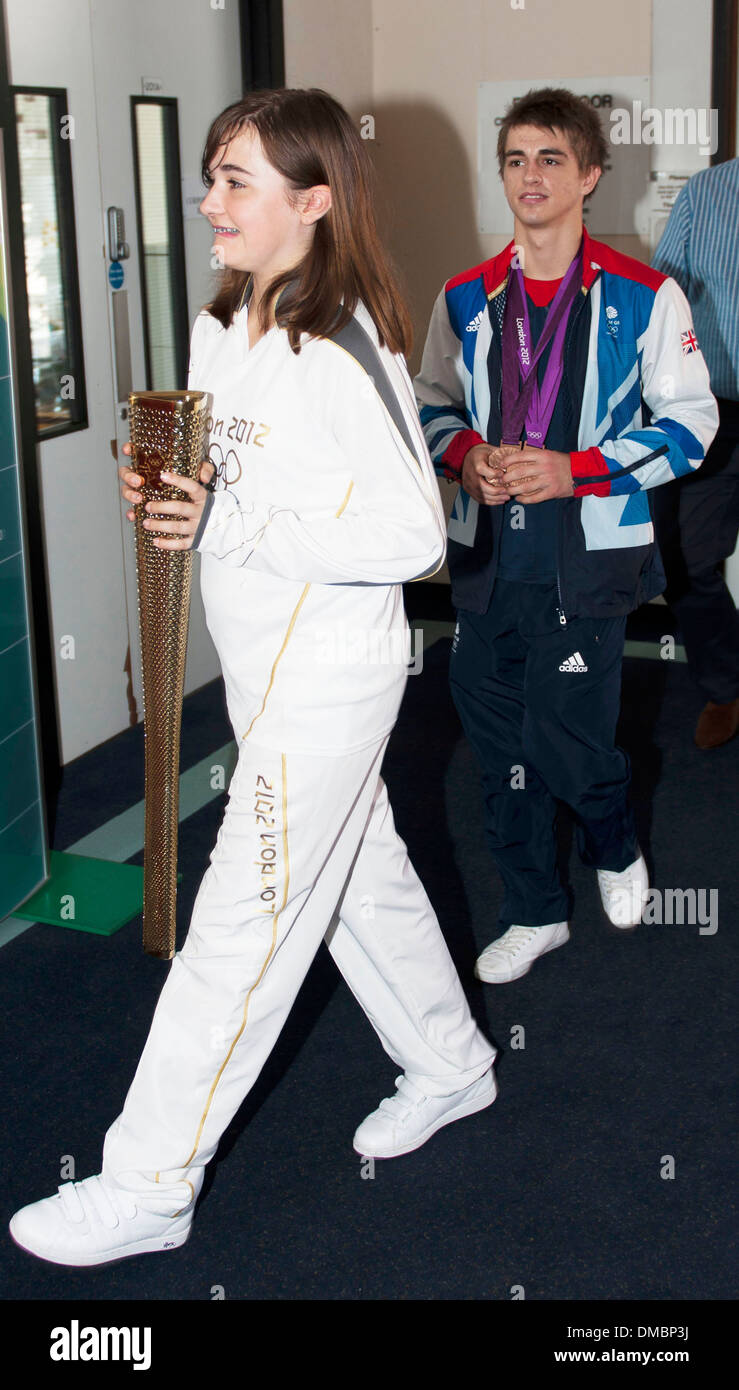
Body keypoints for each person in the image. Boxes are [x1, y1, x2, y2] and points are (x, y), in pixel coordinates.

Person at [9, 88, 496, 1268]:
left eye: (236, 180)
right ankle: (452, 1063)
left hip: (331, 677)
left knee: (242, 923)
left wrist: (236, 510)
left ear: (314, 200)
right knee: (357, 878)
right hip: (260, 665)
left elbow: (412, 533)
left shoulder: (343, 341)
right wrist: (176, 496)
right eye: (210, 176)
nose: (209, 200)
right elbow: (225, 485)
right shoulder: (221, 320)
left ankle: (148, 1183)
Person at [414, 87, 718, 983]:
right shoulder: (465, 295)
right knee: (500, 744)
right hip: (485, 561)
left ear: (589, 174)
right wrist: (465, 455)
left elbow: (692, 426)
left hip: (586, 561)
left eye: (550, 158)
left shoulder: (644, 295)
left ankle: (613, 838)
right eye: (514, 158)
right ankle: (534, 908)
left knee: (569, 736)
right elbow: (429, 403)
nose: (529, 175)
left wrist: (577, 468)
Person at [651, 159, 739, 749]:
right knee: (684, 556)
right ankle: (726, 685)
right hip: (714, 411)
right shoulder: (710, 190)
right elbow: (662, 293)